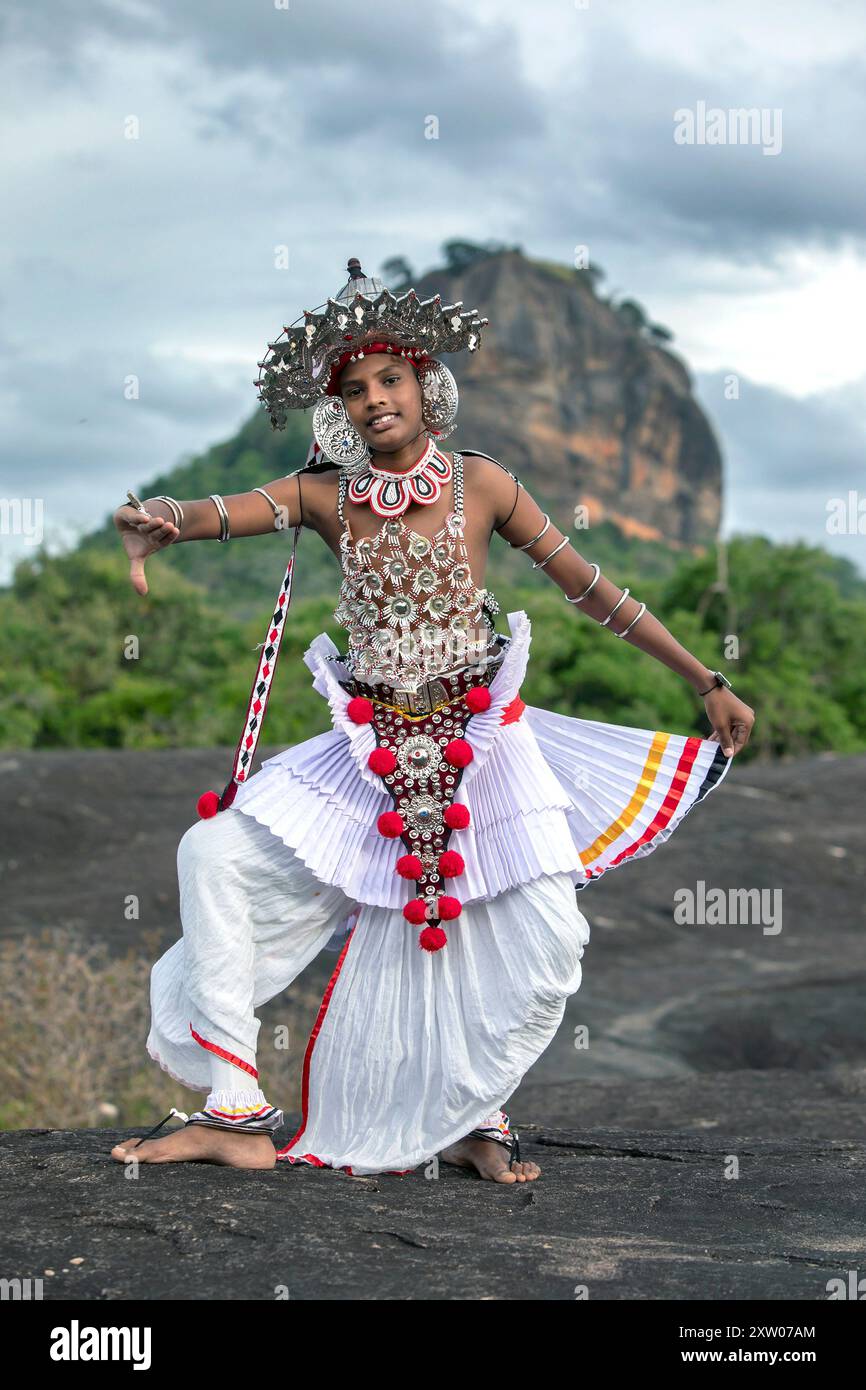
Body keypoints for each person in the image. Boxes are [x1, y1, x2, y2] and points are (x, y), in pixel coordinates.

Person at [109, 259, 754, 1183]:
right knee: (209, 855)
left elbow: (591, 589)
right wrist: (158, 519)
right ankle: (238, 1111)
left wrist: (705, 677)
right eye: (355, 389)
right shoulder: (321, 493)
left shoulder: (483, 483)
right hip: (367, 753)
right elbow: (220, 512)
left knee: (531, 932)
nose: (375, 400)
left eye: (391, 380)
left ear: (427, 388)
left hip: (481, 744)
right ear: (340, 411)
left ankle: (473, 1117)